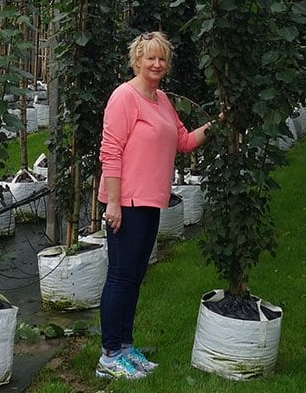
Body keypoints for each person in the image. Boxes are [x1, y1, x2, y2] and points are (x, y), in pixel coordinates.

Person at [95, 30, 220, 380]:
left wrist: (218, 125)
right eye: (149, 57)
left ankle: (125, 346)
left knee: (135, 276)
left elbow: (183, 141)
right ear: (137, 60)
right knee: (120, 277)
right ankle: (108, 356)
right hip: (127, 202)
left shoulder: (162, 100)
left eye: (162, 58)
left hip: (150, 201)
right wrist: (114, 204)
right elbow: (111, 151)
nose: (156, 63)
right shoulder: (124, 97)